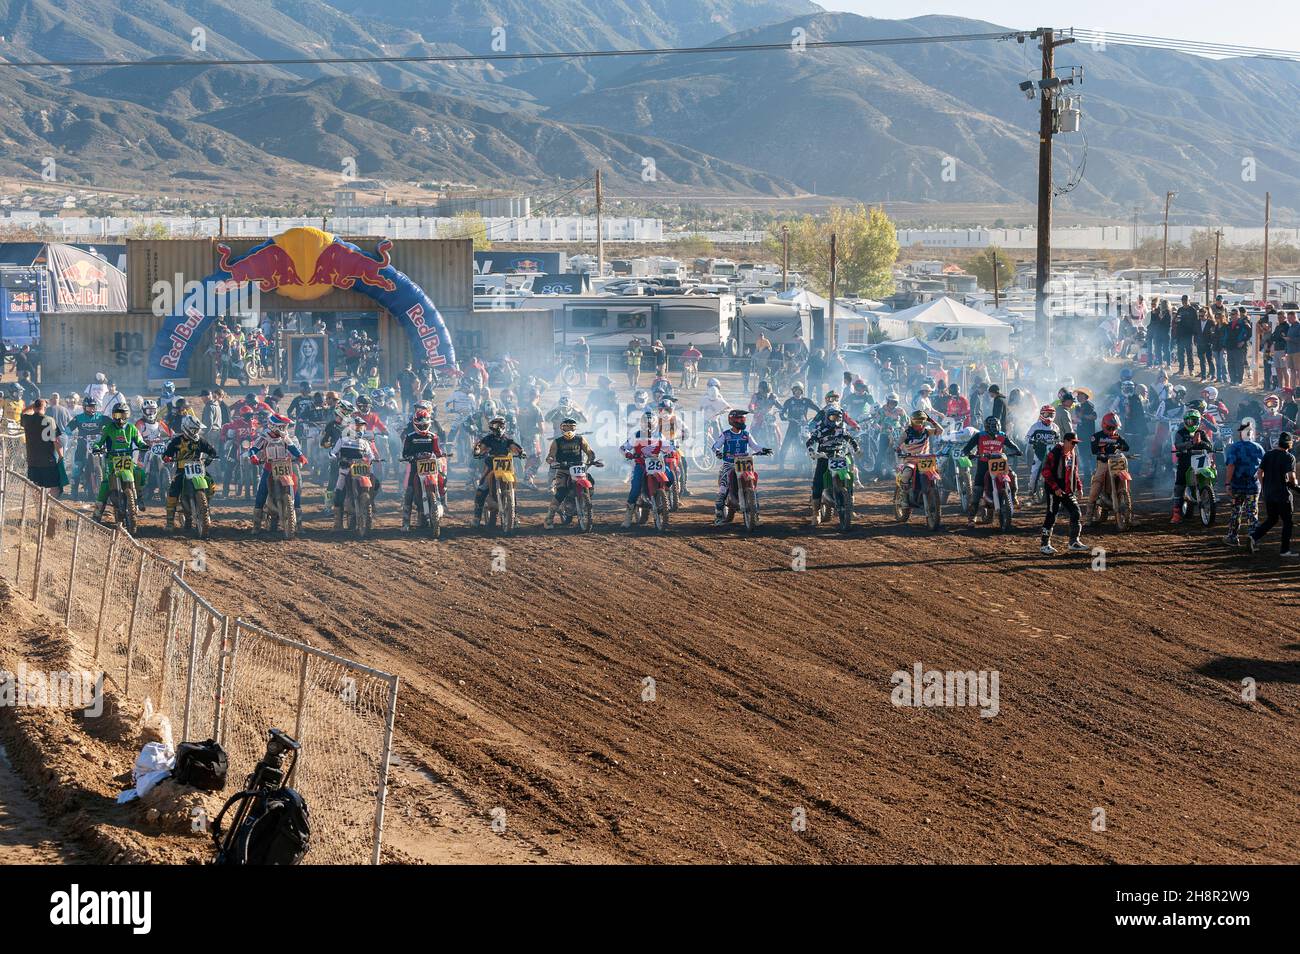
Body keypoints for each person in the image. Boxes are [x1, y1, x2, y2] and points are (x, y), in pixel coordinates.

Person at [247, 414, 307, 533]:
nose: (285, 429)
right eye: (283, 426)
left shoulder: (285, 437)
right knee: (262, 491)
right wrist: (253, 456)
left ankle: (299, 524)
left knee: (295, 490)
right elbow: (253, 449)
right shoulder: (264, 436)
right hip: (269, 466)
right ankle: (256, 524)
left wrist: (301, 456)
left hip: (285, 466)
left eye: (285, 426)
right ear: (274, 426)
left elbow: (292, 447)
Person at [89, 403, 148, 523]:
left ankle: (140, 496)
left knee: (140, 472)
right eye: (117, 415)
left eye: (123, 415)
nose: (120, 418)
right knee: (105, 485)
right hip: (112, 461)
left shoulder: (132, 428)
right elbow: (99, 442)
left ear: (128, 415)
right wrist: (96, 447)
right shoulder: (108, 428)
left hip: (127, 459)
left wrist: (143, 445)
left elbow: (139, 440)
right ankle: (97, 515)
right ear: (113, 415)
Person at [708, 408, 769, 526]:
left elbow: (755, 446)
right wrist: (718, 452)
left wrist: (763, 450)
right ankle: (719, 516)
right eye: (740, 418)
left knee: (753, 487)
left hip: (745, 463)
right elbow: (715, 446)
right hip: (729, 464)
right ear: (732, 420)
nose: (742, 421)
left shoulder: (746, 435)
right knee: (723, 488)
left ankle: (755, 515)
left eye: (743, 418)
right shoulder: (726, 434)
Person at [961, 415, 1024, 525]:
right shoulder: (979, 436)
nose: (994, 431)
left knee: (1012, 475)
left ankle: (1013, 496)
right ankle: (972, 517)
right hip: (984, 465)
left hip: (1000, 463)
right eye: (992, 427)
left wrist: (1017, 450)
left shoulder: (1002, 435)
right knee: (977, 490)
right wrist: (969, 454)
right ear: (987, 428)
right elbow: (966, 448)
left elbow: (1012, 444)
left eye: (996, 426)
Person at [161, 416, 217, 530]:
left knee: (211, 483)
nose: (196, 432)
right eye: (194, 429)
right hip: (182, 469)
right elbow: (166, 453)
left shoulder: (200, 440)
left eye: (197, 430)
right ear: (187, 429)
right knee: (173, 490)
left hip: (198, 468)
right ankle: (170, 522)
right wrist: (167, 458)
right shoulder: (177, 440)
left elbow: (212, 451)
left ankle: (206, 507)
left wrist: (210, 458)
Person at [1248, 431, 1298, 555]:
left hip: (1269, 494)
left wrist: (1264, 487)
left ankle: (1254, 537)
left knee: (1272, 519)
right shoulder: (1289, 457)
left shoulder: (1268, 454)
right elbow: (1291, 476)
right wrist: (1295, 483)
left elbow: (1260, 472)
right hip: (1283, 495)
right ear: (1289, 444)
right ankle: (1285, 550)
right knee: (1288, 522)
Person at [620, 411, 673, 527]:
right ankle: (628, 517)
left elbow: (668, 446)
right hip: (641, 464)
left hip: (656, 463)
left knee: (670, 476)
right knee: (636, 486)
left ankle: (667, 496)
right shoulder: (637, 435)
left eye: (650, 422)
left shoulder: (659, 435)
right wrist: (628, 454)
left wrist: (670, 451)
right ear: (642, 423)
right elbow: (623, 447)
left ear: (654, 423)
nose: (648, 425)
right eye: (646, 422)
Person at [544, 417, 599, 528]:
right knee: (561, 492)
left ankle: (584, 501)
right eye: (566, 427)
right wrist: (551, 461)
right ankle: (549, 519)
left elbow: (589, 451)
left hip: (579, 468)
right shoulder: (557, 441)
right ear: (561, 428)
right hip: (563, 470)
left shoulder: (580, 439)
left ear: (575, 428)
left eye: (571, 427)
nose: (569, 429)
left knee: (591, 481)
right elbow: (550, 455)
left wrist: (590, 461)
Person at [1039, 432, 1088, 554]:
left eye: (1076, 443)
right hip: (1053, 490)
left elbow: (1074, 471)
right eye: (1073, 443)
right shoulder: (1054, 453)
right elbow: (1045, 471)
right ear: (1065, 441)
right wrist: (1055, 488)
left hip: (1067, 489)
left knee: (1076, 512)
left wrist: (1079, 487)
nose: (1074, 446)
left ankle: (1074, 542)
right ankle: (1044, 545)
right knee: (1052, 515)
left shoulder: (1073, 454)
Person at [805, 406, 860, 513]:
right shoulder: (821, 429)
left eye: (838, 418)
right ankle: (815, 512)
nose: (835, 420)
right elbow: (810, 441)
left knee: (849, 478)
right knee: (818, 481)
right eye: (833, 417)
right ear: (827, 417)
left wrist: (857, 449)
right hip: (824, 456)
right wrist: (812, 451)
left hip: (840, 456)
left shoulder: (841, 430)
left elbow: (851, 439)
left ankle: (850, 507)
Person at [399, 408, 447, 530]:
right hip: (416, 467)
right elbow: (405, 453)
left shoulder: (433, 437)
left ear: (429, 424)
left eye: (425, 425)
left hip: (431, 467)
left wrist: (441, 455)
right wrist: (409, 457)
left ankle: (442, 502)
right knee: (409, 491)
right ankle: (405, 523)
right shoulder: (410, 437)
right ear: (415, 424)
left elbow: (437, 451)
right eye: (420, 425)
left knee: (442, 480)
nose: (422, 427)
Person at [471, 417, 524, 527]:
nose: (499, 428)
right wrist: (477, 451)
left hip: (506, 470)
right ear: (491, 427)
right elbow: (480, 447)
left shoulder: (507, 440)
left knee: (512, 492)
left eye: (501, 425)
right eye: (496, 426)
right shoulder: (488, 439)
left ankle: (514, 517)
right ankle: (477, 517)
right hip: (491, 467)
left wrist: (520, 452)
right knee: (482, 488)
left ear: (504, 426)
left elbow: (514, 447)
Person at [1223, 420, 1265, 548]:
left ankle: (1232, 537)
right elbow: (1262, 470)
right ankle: (1253, 539)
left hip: (1238, 485)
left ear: (1241, 434)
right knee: (1252, 512)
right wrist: (1262, 485)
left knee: (1236, 511)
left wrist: (1227, 483)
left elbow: (1231, 466)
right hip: (1253, 485)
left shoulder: (1235, 447)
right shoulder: (1259, 448)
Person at [1170, 408, 1213, 524]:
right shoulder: (1180, 433)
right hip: (1185, 461)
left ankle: (1210, 494)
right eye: (1188, 421)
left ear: (1198, 421)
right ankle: (1176, 513)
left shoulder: (1202, 433)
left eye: (1193, 421)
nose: (1190, 423)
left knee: (1210, 474)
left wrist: (1200, 443)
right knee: (1179, 486)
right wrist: (1191, 443)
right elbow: (1178, 445)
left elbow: (1210, 446)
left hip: (1200, 461)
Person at [21, 399, 67, 507]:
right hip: (48, 461)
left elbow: (22, 413)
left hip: (32, 461)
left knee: (35, 487)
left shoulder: (27, 419)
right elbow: (56, 441)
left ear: (34, 407)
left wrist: (30, 407)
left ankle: (39, 509)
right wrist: (61, 456)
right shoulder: (49, 420)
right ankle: (48, 507)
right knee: (56, 487)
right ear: (44, 408)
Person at [66, 396, 110, 498]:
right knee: (77, 467)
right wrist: (71, 434)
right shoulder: (79, 418)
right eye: (89, 407)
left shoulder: (100, 417)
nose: (92, 409)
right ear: (84, 407)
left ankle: (111, 489)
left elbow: (112, 424)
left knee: (108, 465)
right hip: (82, 445)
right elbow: (68, 428)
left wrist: (109, 430)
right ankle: (74, 491)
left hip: (98, 445)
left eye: (93, 406)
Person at [776, 382, 821, 473]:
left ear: (802, 391)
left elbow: (817, 409)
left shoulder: (806, 401)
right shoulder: (789, 401)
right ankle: (781, 464)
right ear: (793, 391)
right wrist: (783, 417)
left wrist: (821, 414)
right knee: (786, 444)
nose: (797, 392)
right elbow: (782, 412)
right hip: (792, 426)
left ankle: (812, 461)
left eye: (799, 390)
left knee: (810, 442)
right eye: (795, 390)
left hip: (804, 426)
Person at [1025, 405, 1061, 497]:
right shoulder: (1036, 426)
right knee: (1034, 472)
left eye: (1051, 415)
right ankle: (1031, 489)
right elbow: (1027, 437)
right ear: (1041, 414)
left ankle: (1057, 489)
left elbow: (1058, 440)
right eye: (1046, 414)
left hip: (1051, 454)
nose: (1049, 417)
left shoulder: (1055, 427)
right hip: (1039, 453)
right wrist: (1033, 441)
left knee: (1057, 471)